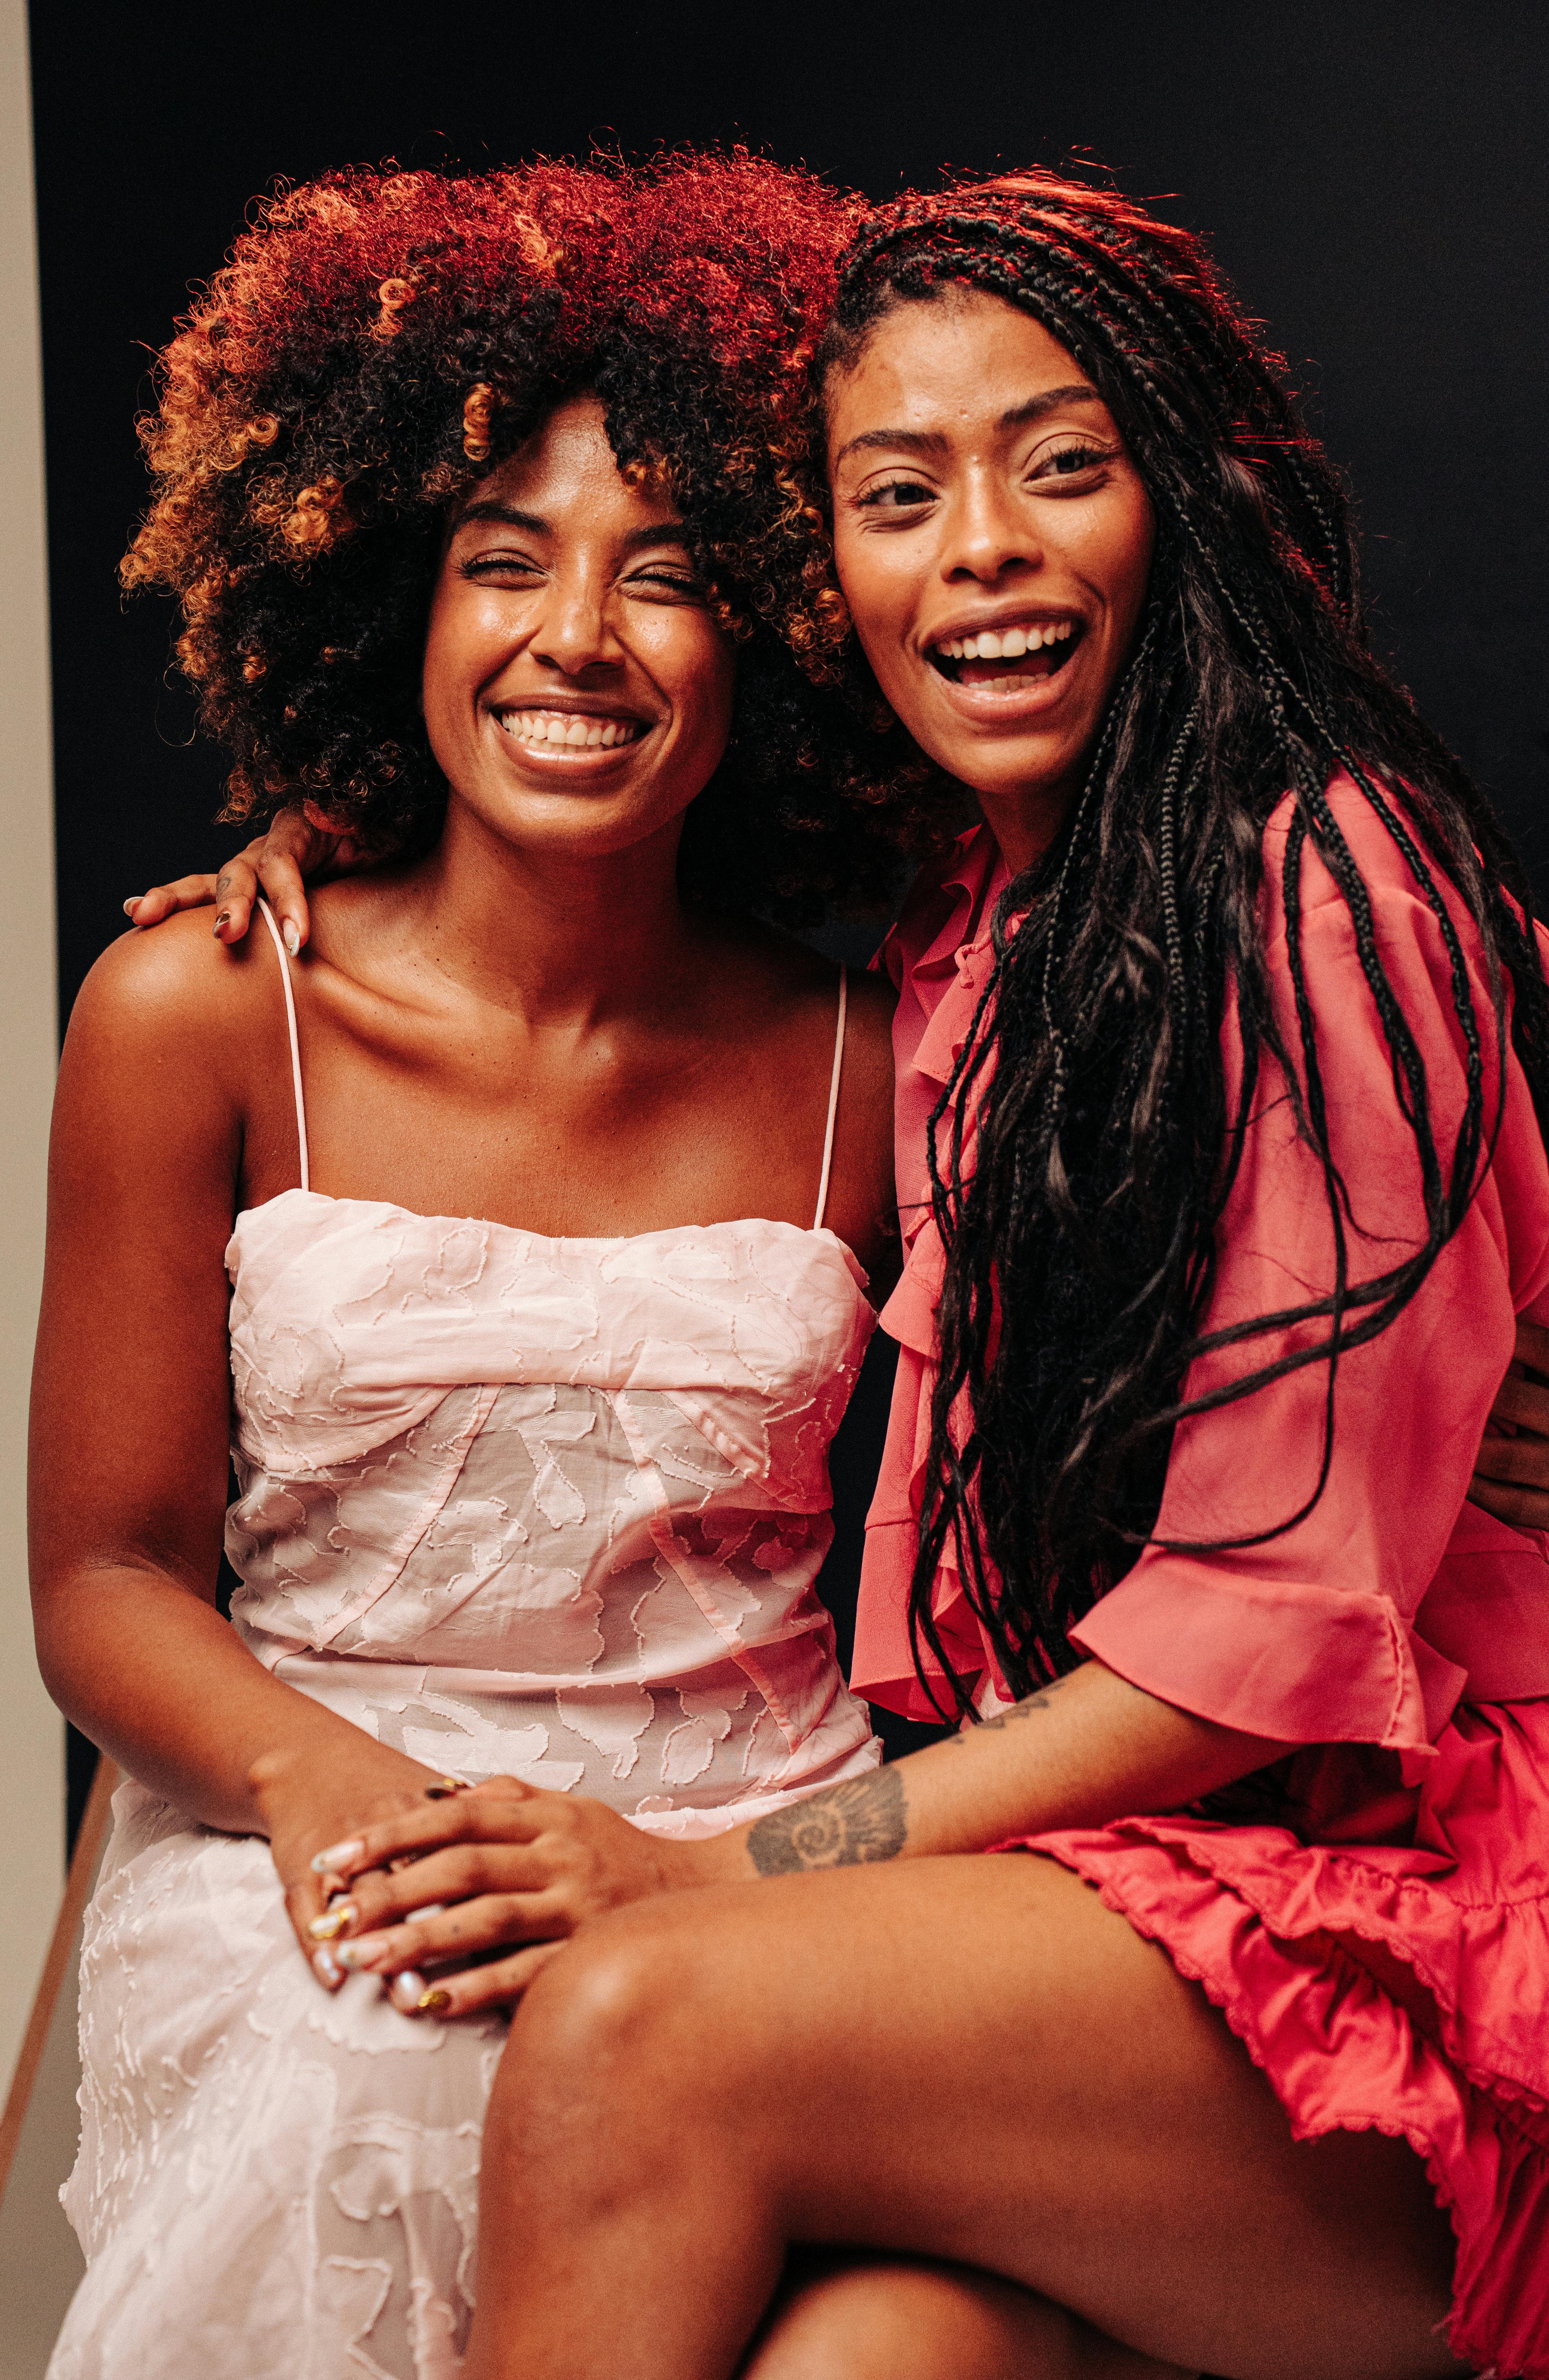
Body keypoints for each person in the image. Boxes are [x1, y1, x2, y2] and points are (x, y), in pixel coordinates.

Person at [136, 168, 1549, 2379]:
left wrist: (720, 1867)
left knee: (640, 2021)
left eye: (1059, 466)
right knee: (862, 2359)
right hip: (1117, 1923)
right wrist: (335, 835)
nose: (975, 543)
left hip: (1410, 1963)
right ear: (835, 585)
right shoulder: (958, 954)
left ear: (1194, 500)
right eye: (894, 492)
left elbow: (1253, 1646)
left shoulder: (1325, 880)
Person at [30, 153, 938, 2379]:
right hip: (314, 1806)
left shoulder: (875, 1056)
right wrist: (319, 1790)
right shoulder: (204, 1008)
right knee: (380, 2066)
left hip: (752, 1837)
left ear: (780, 627)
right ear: (381, 605)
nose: (576, 642)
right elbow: (105, 1573)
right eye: (500, 564)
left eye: (669, 577)